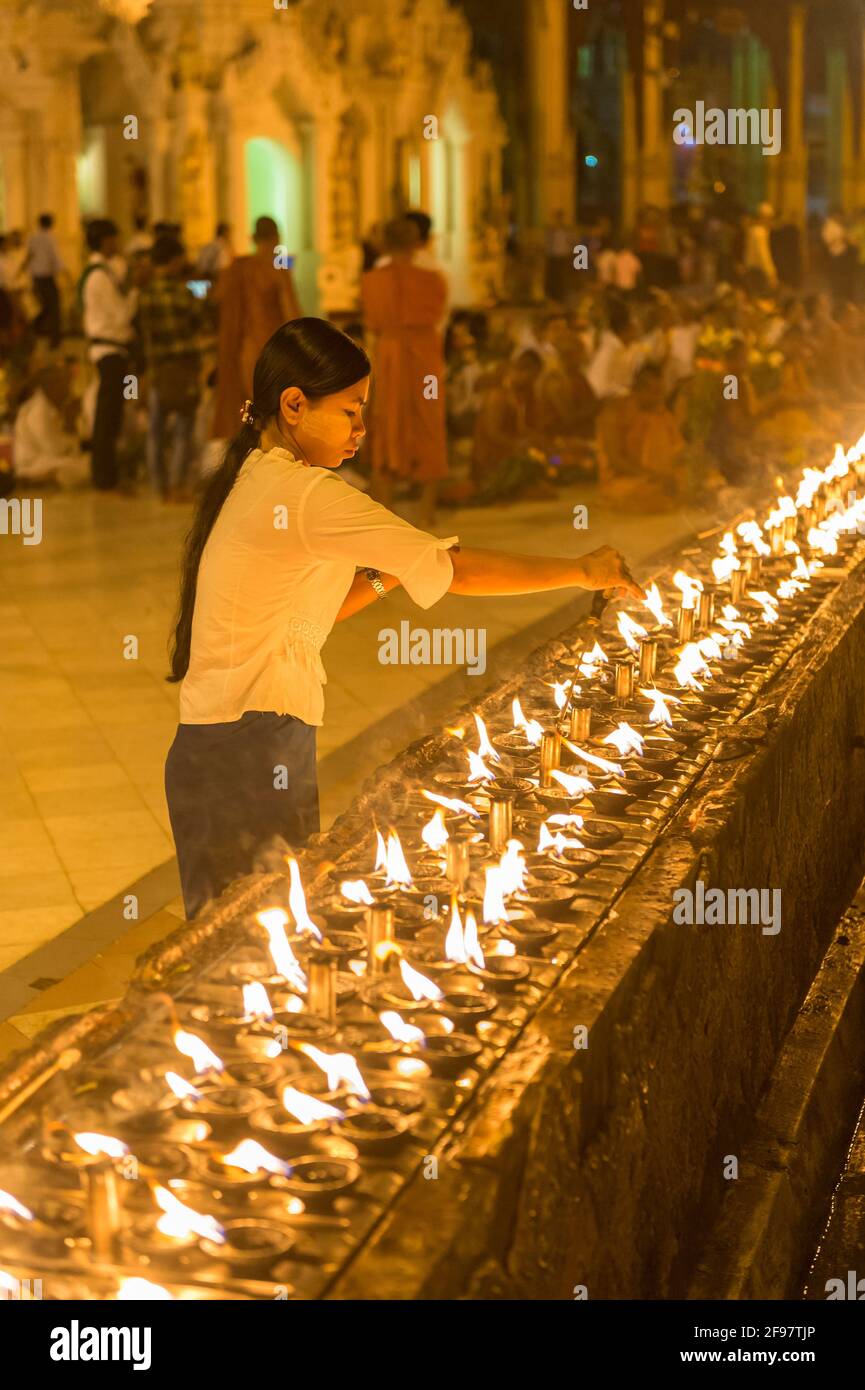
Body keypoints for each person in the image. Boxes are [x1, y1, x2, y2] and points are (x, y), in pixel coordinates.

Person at [163, 317, 641, 918]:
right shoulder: (306, 496)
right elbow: (455, 570)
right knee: (249, 951)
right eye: (350, 411)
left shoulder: (260, 476)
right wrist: (582, 570)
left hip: (229, 748)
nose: (362, 430)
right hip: (245, 758)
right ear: (293, 404)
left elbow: (313, 617)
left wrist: (392, 568)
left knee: (251, 945)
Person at [361, 217, 448, 527]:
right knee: (428, 422)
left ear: (384, 244)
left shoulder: (371, 281)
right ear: (416, 244)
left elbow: (371, 324)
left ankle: (385, 512)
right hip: (425, 356)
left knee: (387, 423)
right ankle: (427, 513)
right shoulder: (433, 280)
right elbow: (440, 317)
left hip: (389, 356)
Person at [211, 215, 301, 441]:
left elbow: (217, 298)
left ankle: (246, 462)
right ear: (277, 237)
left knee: (249, 412)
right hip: (273, 352)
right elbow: (292, 316)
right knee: (272, 414)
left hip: (245, 351)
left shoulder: (238, 268)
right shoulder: (278, 272)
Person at [137, 234, 203, 501]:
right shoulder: (182, 292)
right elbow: (200, 320)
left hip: (158, 369)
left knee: (155, 430)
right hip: (183, 366)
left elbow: (142, 334)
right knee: (183, 429)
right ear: (175, 261)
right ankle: (177, 486)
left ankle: (159, 487)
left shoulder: (145, 295)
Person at [81, 218, 138, 491]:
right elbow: (121, 315)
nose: (116, 244)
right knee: (108, 416)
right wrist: (135, 291)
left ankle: (107, 473)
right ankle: (104, 476)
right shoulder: (99, 276)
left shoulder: (98, 273)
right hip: (109, 351)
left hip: (110, 350)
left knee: (112, 414)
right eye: (113, 238)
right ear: (104, 241)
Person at [12, 360, 89, 486]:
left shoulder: (52, 409)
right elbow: (54, 450)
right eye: (64, 384)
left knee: (90, 462)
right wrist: (69, 424)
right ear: (50, 386)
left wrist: (71, 424)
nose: (68, 389)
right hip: (32, 466)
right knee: (87, 466)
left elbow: (71, 450)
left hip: (48, 460)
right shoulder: (38, 411)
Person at [25, 213, 64, 346]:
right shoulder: (50, 238)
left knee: (44, 306)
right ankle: (54, 338)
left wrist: (22, 271)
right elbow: (55, 257)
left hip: (36, 277)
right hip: (47, 277)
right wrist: (65, 274)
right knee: (54, 307)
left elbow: (29, 256)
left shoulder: (32, 237)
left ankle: (34, 328)